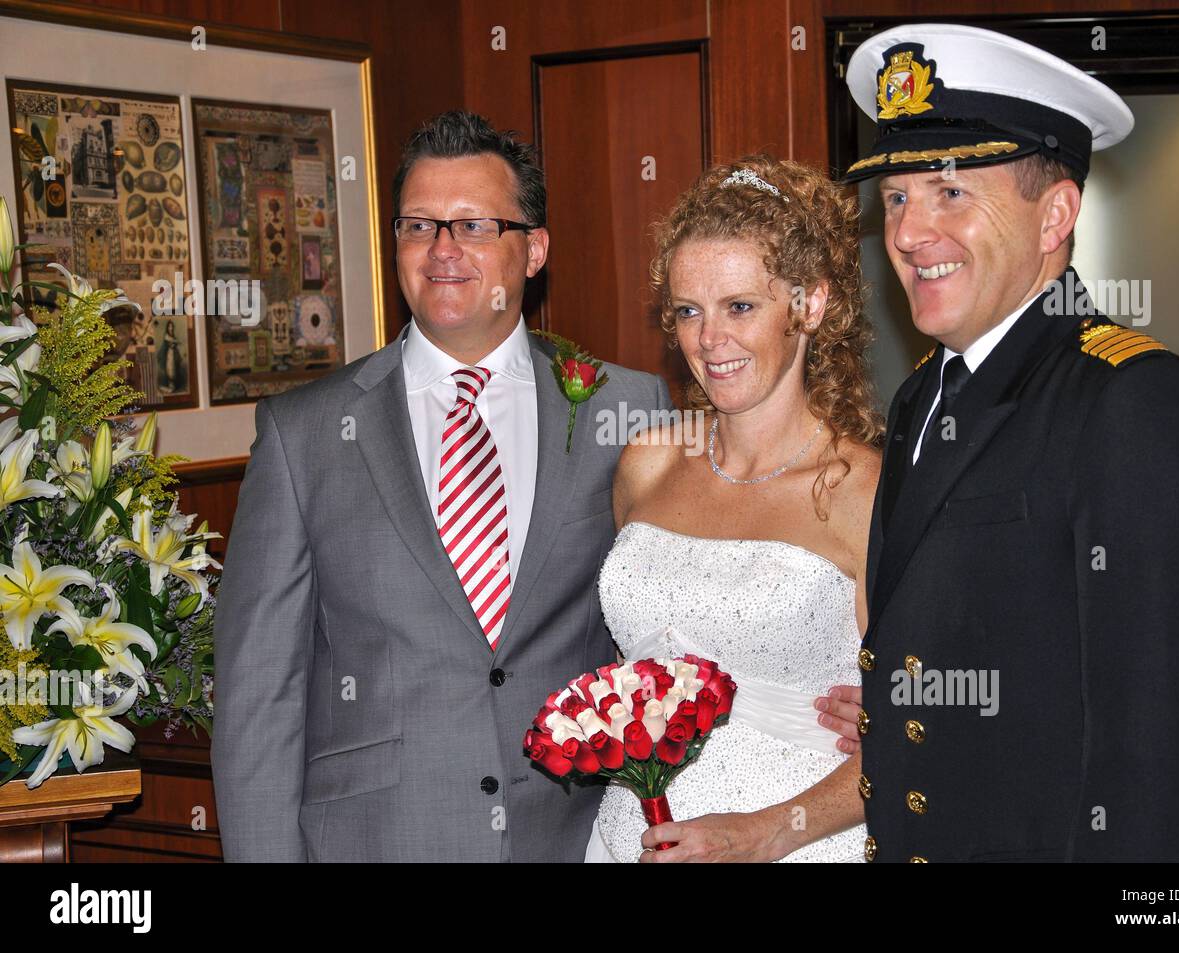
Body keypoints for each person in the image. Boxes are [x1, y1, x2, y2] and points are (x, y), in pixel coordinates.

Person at [816, 22, 1179, 862]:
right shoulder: (921, 397)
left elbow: (1160, 760)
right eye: (898, 197)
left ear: (1055, 214)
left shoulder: (1138, 405)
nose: (907, 233)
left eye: (951, 193)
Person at [211, 111, 673, 862]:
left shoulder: (627, 412)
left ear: (535, 250)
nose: (443, 251)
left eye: (474, 226)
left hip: (574, 840)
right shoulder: (304, 436)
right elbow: (258, 697)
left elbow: (671, 638)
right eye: (419, 225)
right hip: (378, 840)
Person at [585, 156, 886, 863]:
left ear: (809, 305)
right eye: (689, 309)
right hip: (627, 839)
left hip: (797, 846)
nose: (708, 339)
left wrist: (762, 833)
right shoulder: (647, 463)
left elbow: (923, 733)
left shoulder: (866, 492)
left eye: (740, 306)